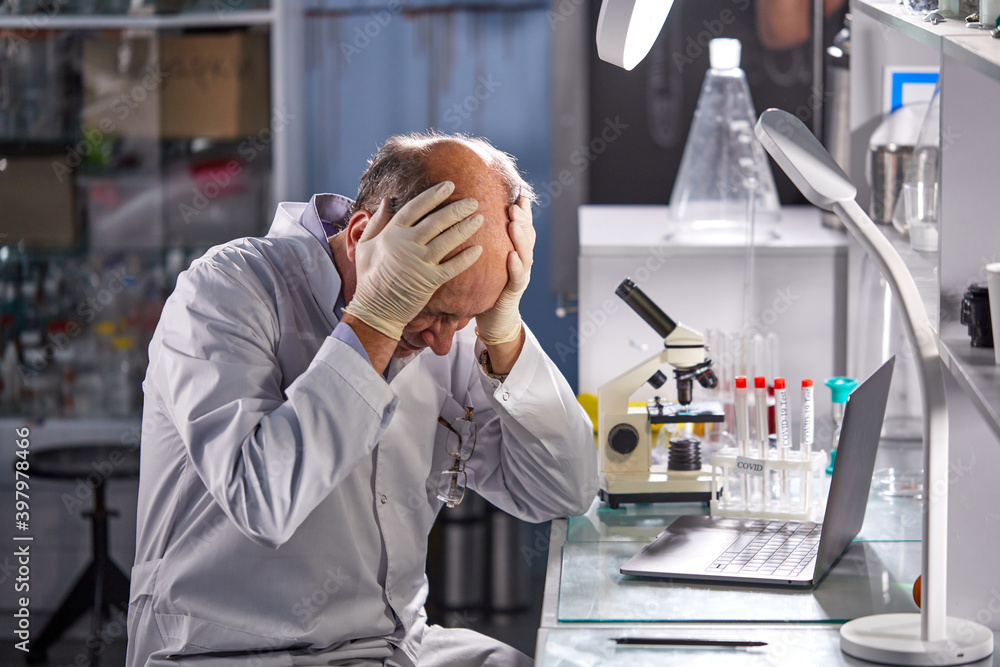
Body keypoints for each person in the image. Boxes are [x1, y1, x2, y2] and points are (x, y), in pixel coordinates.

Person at [125, 132, 598, 667]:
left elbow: (564, 492)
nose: (445, 342)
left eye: (468, 316)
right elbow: (263, 501)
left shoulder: (449, 324)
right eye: (435, 311)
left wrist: (503, 331)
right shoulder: (224, 292)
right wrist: (377, 316)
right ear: (360, 236)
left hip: (395, 645)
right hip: (234, 652)